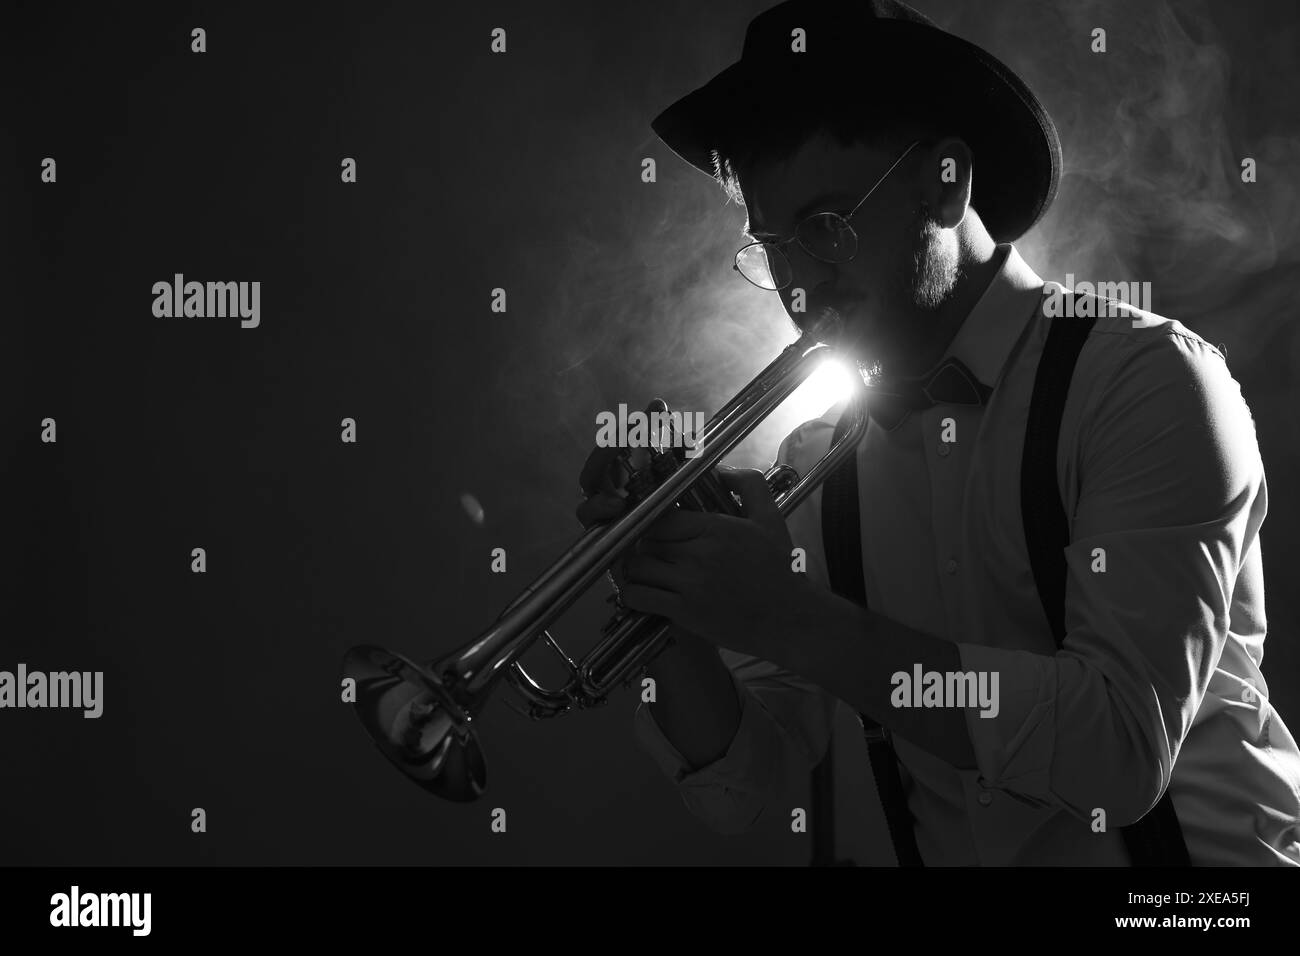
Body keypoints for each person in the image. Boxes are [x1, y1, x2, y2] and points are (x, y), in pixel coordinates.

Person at [577, 0, 1300, 865]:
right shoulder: (816, 457)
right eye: (773, 247)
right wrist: (679, 611)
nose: (800, 287)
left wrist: (790, 617)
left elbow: (1117, 751)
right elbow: (745, 786)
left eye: (825, 228)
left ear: (946, 182)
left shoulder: (1146, 381)